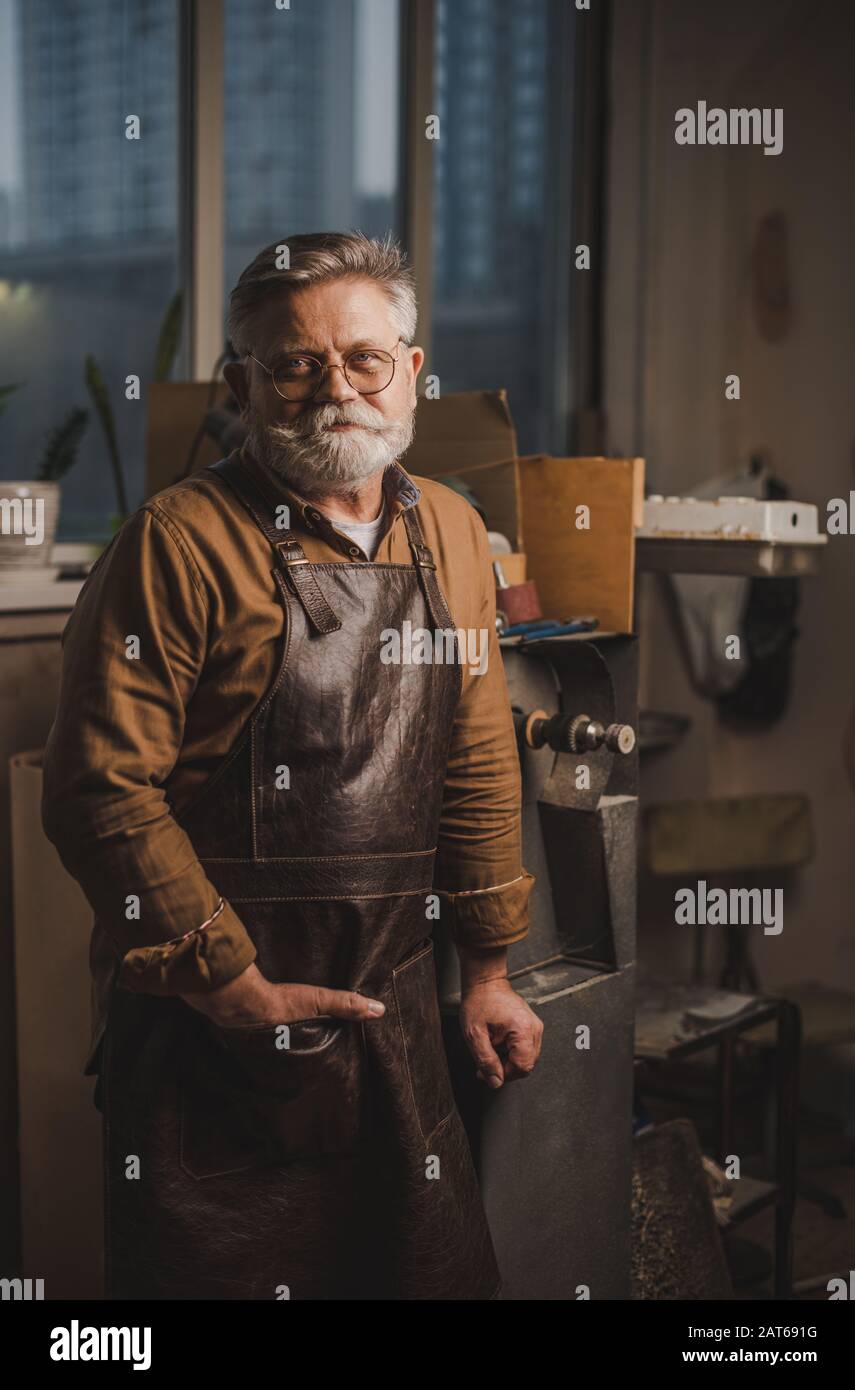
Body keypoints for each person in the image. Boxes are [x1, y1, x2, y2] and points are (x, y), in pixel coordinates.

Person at [42, 231, 542, 1300]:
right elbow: (99, 790)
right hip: (214, 1038)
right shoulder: (175, 542)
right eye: (295, 363)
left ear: (411, 369)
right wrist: (227, 979)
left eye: (363, 358)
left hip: (395, 1021)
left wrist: (491, 968)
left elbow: (475, 758)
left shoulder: (453, 532)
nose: (335, 389)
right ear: (244, 380)